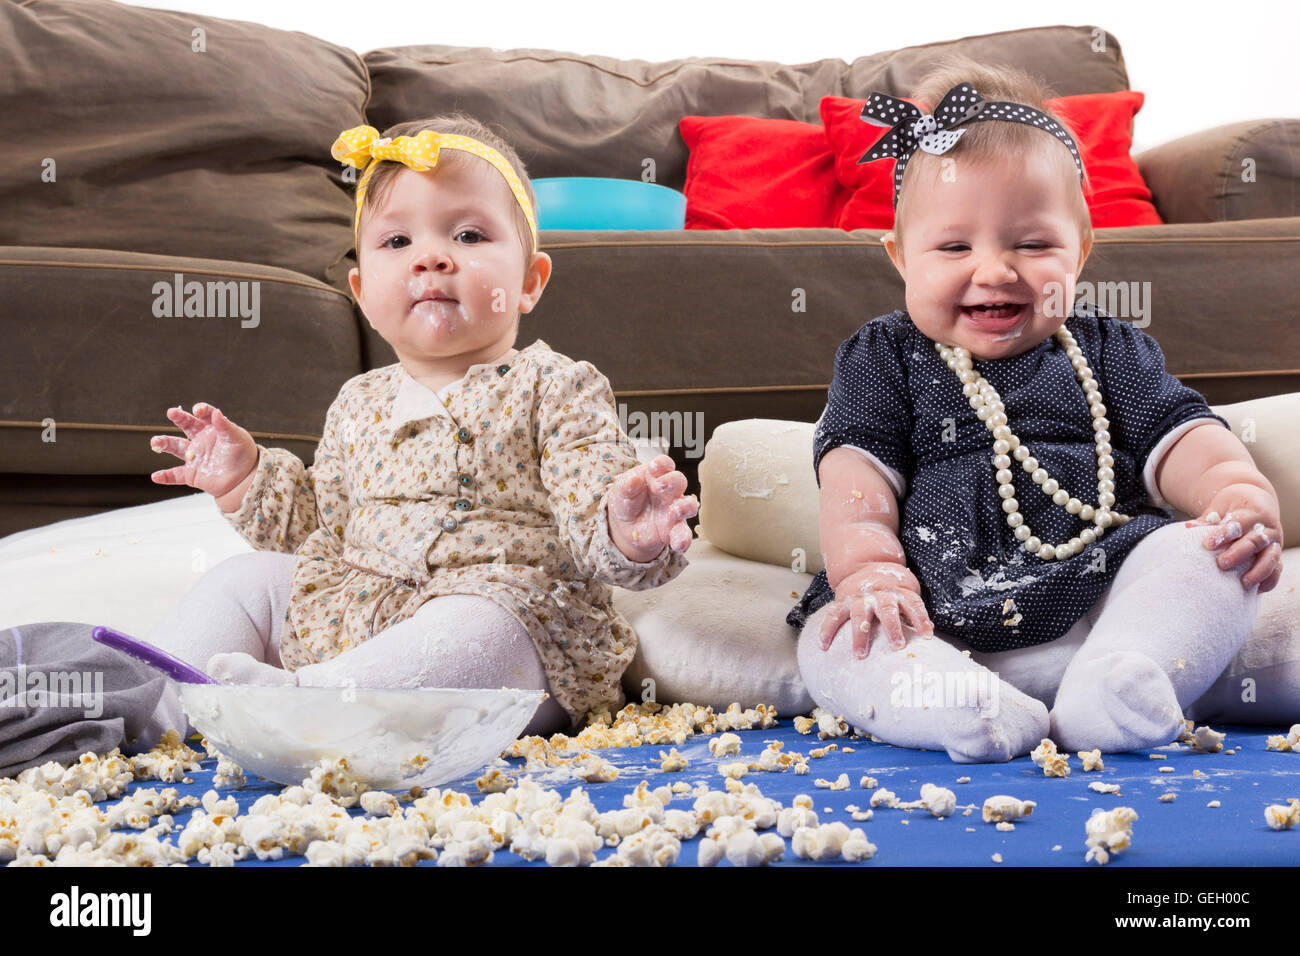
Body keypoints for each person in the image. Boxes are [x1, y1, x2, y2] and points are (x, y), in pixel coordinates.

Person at [789, 60, 1283, 761]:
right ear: (901, 258)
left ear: (1080, 251)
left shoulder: (1106, 347)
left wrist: (1236, 492)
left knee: (1210, 558)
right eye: (954, 246)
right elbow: (854, 476)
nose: (994, 270)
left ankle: (1117, 684)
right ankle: (960, 707)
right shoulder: (885, 355)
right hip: (936, 610)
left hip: (1101, 596)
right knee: (837, 639)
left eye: (1032, 244)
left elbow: (1183, 434)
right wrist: (870, 570)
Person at [144, 114, 698, 737]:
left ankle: (308, 702)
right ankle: (158, 701)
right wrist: (246, 479)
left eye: (467, 234)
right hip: (359, 613)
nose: (431, 258)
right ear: (361, 290)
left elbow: (589, 488)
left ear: (529, 282)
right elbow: (320, 532)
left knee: (483, 632)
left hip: (509, 625)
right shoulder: (357, 402)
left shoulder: (555, 385)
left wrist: (624, 527)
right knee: (244, 582)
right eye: (397, 243)